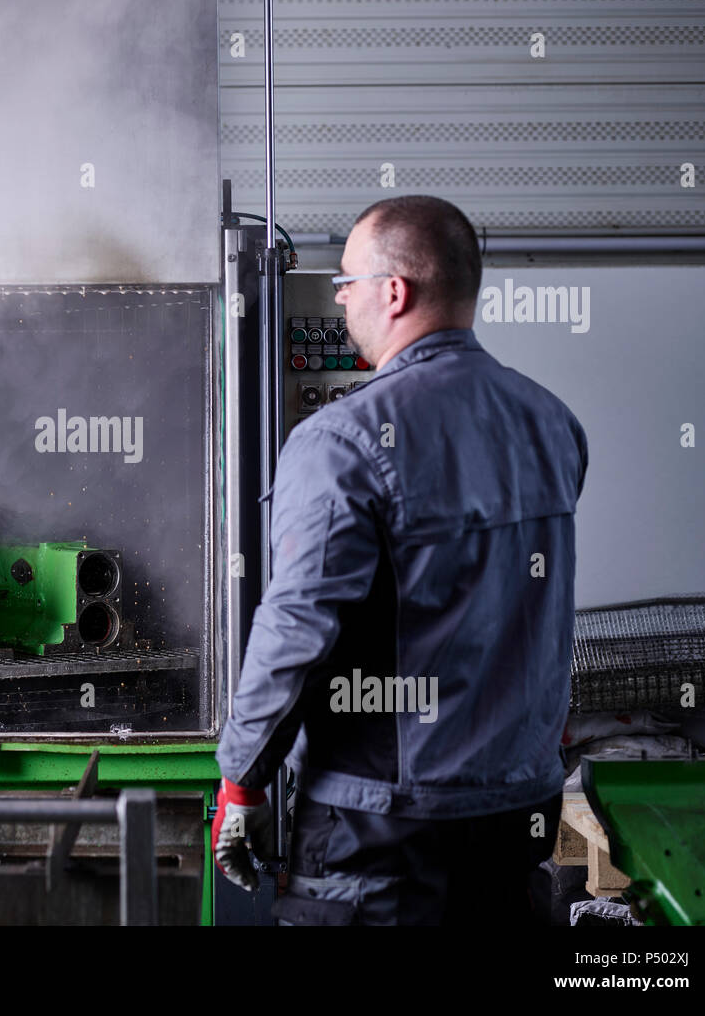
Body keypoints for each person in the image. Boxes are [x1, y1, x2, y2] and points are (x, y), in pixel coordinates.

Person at [212, 195, 588, 925]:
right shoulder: (551, 422)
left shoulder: (342, 440)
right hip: (517, 812)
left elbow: (296, 628)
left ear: (395, 290)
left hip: (384, 829)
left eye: (347, 280)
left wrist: (241, 781)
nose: (341, 296)